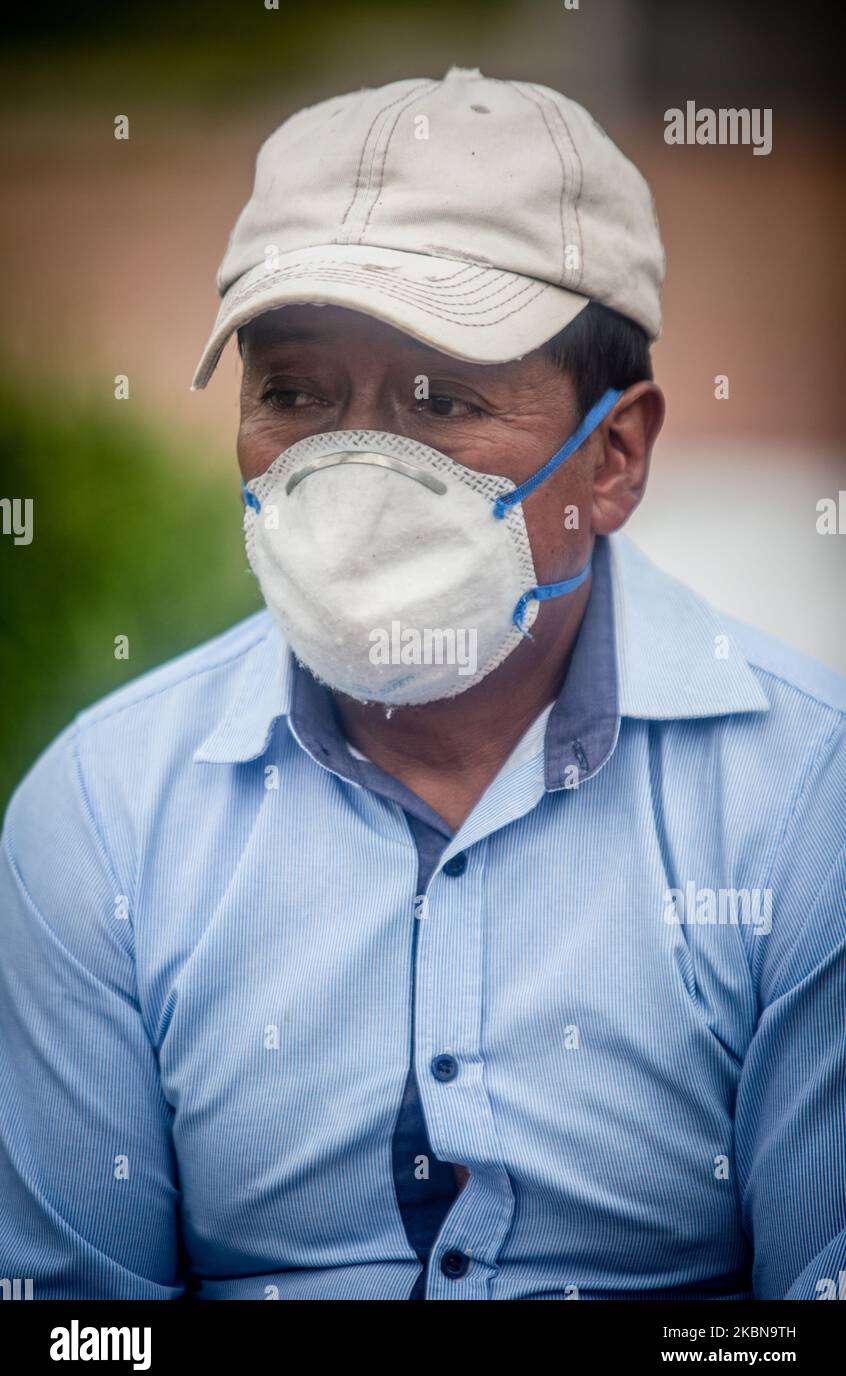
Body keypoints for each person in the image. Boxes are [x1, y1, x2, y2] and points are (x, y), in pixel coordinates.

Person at [1, 67, 843, 1301]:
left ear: (614, 457)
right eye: (293, 393)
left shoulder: (803, 809)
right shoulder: (103, 814)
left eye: (441, 397)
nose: (352, 462)